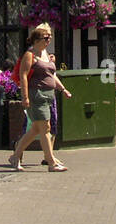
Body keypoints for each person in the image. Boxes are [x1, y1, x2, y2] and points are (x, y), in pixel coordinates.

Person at [10, 23, 74, 171]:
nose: (49, 40)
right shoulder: (29, 55)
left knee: (35, 130)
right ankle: (51, 162)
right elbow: (23, 76)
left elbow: (51, 75)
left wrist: (63, 89)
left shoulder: (46, 55)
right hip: (36, 95)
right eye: (46, 38)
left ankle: (15, 156)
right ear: (37, 39)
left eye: (50, 37)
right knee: (45, 128)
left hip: (48, 95)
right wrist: (25, 97)